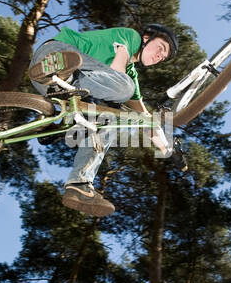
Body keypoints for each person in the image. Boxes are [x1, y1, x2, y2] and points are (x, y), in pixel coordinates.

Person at [26, 24, 178, 216]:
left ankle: (79, 185)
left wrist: (167, 149)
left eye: (162, 58)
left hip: (48, 85)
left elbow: (146, 120)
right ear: (147, 37)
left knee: (111, 119)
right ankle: (65, 78)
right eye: (160, 48)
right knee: (124, 88)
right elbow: (117, 70)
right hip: (55, 54)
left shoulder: (130, 74)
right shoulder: (131, 37)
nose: (159, 57)